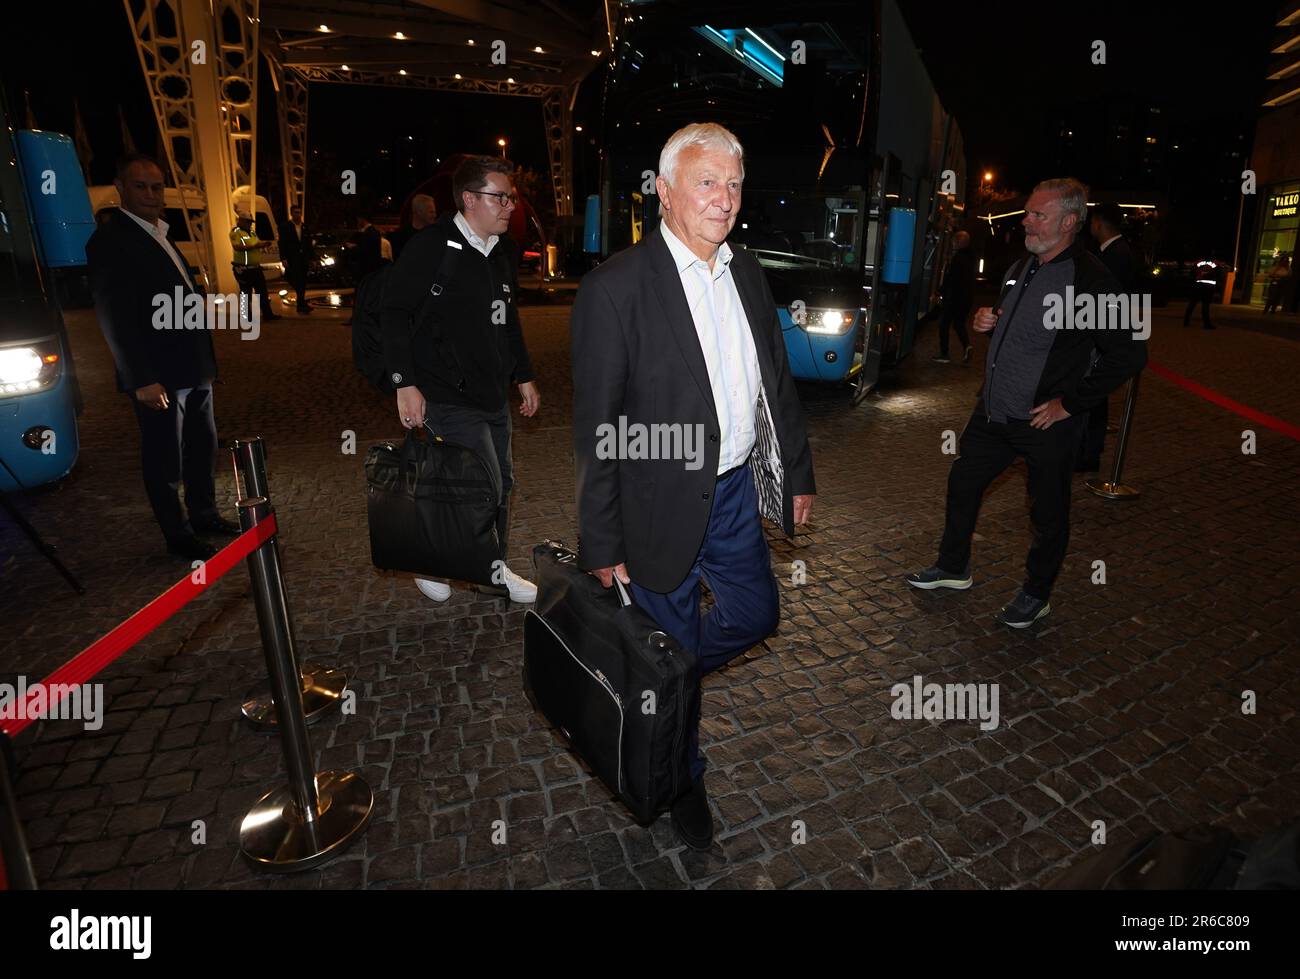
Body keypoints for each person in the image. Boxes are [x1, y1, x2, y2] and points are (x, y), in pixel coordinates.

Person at [571, 123, 816, 850]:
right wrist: (601, 540)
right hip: (656, 507)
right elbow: (597, 429)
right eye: (708, 182)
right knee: (671, 648)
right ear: (665, 190)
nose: (725, 198)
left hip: (735, 491)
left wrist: (797, 473)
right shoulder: (615, 288)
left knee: (756, 616)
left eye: (734, 184)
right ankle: (684, 778)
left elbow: (776, 378)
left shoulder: (746, 271)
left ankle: (657, 681)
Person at [907, 178, 1147, 628]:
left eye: (1039, 215)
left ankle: (1037, 593)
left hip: (1045, 422)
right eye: (1028, 213)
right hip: (995, 413)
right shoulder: (1022, 266)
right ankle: (953, 568)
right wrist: (988, 321)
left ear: (1070, 222)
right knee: (963, 483)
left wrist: (1069, 405)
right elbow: (1017, 324)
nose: (1026, 221)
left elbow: (1130, 354)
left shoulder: (1092, 281)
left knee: (1047, 513)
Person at [380, 155, 541, 604]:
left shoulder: (501, 252)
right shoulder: (431, 246)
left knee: (500, 483)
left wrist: (524, 374)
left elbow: (508, 320)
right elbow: (393, 313)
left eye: (511, 198)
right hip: (444, 392)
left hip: (492, 393)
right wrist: (404, 383)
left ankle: (469, 564)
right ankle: (469, 565)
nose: (510, 206)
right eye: (500, 197)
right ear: (469, 199)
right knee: (480, 483)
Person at [86, 153, 241, 559]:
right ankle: (178, 535)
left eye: (157, 187)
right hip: (157, 374)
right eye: (141, 186)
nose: (151, 195)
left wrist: (207, 363)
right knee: (164, 457)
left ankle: (204, 514)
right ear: (120, 187)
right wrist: (140, 378)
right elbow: (114, 316)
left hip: (194, 368)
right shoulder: (111, 241)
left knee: (202, 448)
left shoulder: (161, 235)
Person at [1078, 202, 1141, 471]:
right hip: (1104, 331)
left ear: (1099, 223)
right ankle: (1089, 447)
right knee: (1094, 394)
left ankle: (1089, 452)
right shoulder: (1116, 251)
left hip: (1105, 334)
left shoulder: (1116, 255)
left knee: (1094, 393)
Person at [230, 208, 280, 322]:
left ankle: (268, 315)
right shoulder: (235, 232)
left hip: (255, 268)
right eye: (248, 222)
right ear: (241, 220)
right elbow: (236, 247)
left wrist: (263, 244)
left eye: (251, 222)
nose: (250, 224)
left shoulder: (252, 232)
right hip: (243, 269)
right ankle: (246, 317)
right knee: (245, 294)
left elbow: (256, 243)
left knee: (262, 292)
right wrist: (254, 246)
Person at [933, 230, 976, 363]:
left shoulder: (958, 259)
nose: (952, 244)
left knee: (944, 324)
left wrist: (939, 292)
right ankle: (967, 346)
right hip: (966, 298)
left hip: (954, 298)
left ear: (958, 242)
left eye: (953, 241)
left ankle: (944, 354)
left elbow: (951, 279)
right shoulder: (970, 258)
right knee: (958, 324)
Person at [277, 204, 313, 315]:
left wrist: (312, 258)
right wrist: (283, 258)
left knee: (302, 281)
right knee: (295, 279)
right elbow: (282, 243)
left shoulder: (304, 227)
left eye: (299, 212)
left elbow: (308, 243)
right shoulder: (285, 227)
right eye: (296, 212)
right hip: (292, 257)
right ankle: (301, 303)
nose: (298, 215)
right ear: (291, 213)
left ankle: (301, 304)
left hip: (303, 258)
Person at [391, 193, 438, 260]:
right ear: (419, 212)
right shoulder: (400, 237)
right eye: (431, 212)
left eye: (434, 212)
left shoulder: (435, 235)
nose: (435, 215)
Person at [1183, 254, 1219, 329]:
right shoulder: (1215, 263)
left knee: (1192, 304)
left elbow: (1192, 273)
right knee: (1205, 306)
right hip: (1208, 287)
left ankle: (1186, 321)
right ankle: (1206, 324)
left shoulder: (1198, 262)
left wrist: (1195, 279)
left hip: (1198, 286)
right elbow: (1218, 274)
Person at [354, 215, 385, 281]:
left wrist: (354, 247)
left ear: (362, 219)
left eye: (358, 219)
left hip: (368, 266)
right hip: (372, 266)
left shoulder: (369, 232)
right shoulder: (372, 231)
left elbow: (366, 249)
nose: (358, 222)